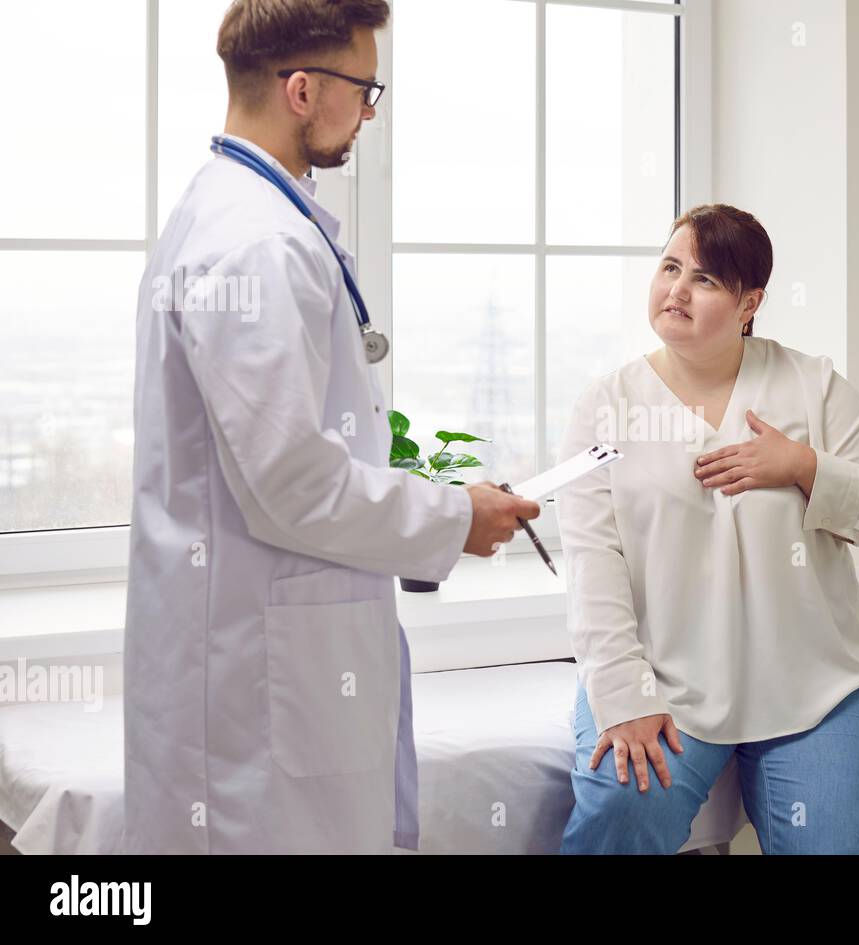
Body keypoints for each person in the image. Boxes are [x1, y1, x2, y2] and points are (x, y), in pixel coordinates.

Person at [124, 0, 538, 854]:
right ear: (304, 90)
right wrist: (457, 516)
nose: (372, 111)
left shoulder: (238, 215)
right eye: (365, 87)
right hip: (258, 692)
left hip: (265, 654)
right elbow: (292, 483)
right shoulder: (257, 246)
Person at [557, 204, 859, 854]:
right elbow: (592, 564)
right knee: (617, 811)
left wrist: (806, 467)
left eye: (706, 279)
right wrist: (623, 694)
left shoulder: (813, 388)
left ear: (750, 302)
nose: (676, 289)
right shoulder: (606, 406)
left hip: (818, 690)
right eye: (670, 267)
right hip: (666, 686)